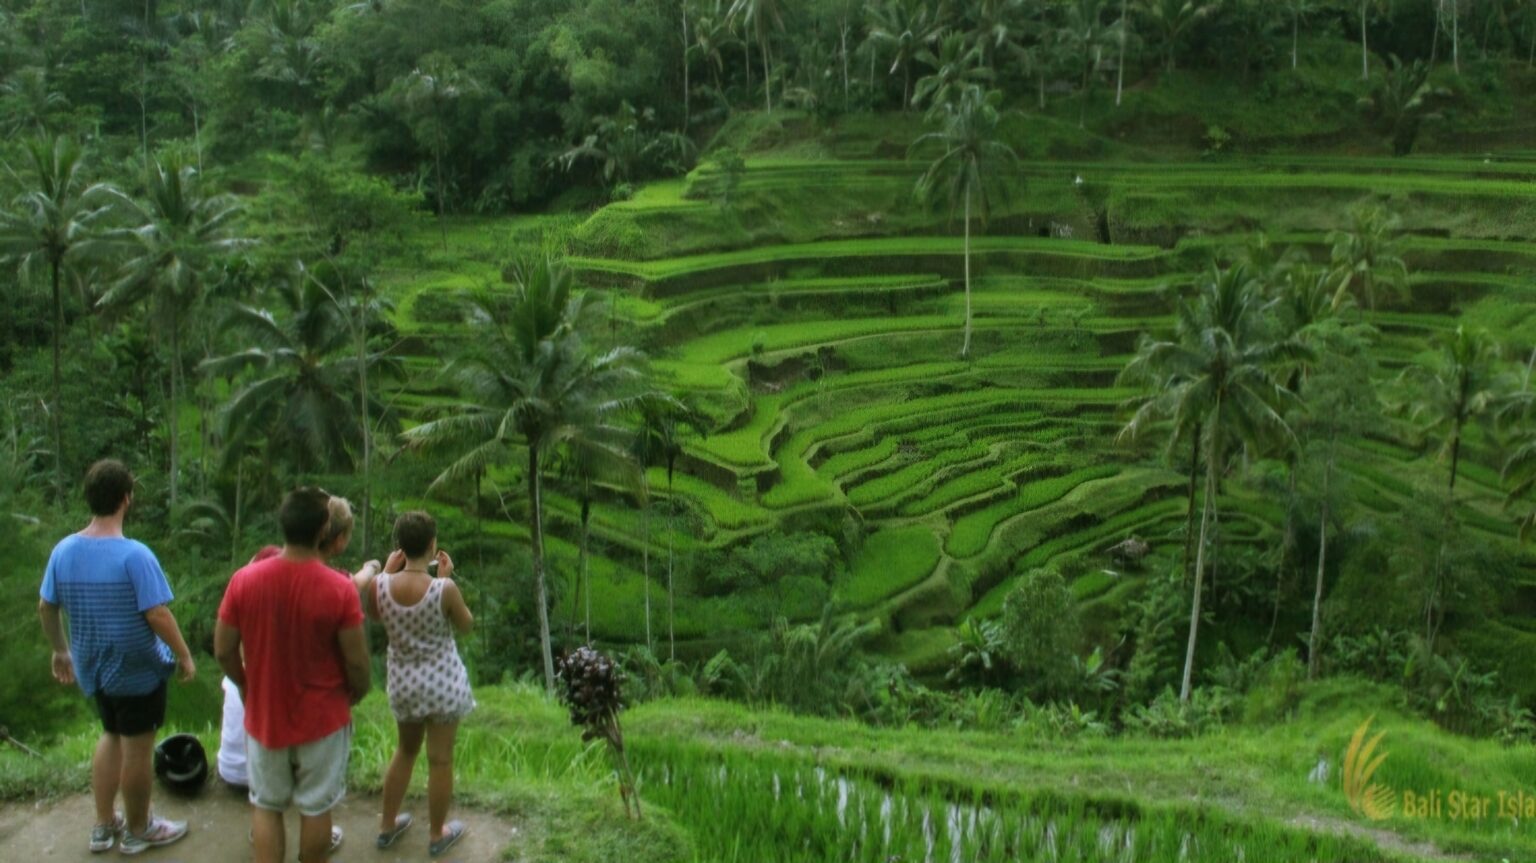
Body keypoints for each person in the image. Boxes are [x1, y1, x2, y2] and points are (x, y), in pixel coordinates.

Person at [37, 459, 195, 855]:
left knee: (111, 734)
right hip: (136, 670)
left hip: (93, 667)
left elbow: (46, 606)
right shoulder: (135, 556)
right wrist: (184, 655)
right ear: (126, 499)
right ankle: (140, 829)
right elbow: (157, 614)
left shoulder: (63, 551)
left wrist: (60, 650)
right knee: (137, 747)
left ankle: (104, 824)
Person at [214, 487, 371, 863]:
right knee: (316, 807)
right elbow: (357, 662)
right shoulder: (340, 589)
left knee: (266, 805)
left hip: (266, 715)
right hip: (323, 718)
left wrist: (245, 684)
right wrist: (357, 691)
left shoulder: (244, 580)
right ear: (324, 529)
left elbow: (222, 649)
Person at [362, 511, 475, 857]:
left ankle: (387, 826)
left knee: (405, 751)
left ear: (399, 547)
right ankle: (437, 834)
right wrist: (444, 579)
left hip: (404, 684)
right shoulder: (443, 589)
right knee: (440, 760)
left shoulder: (379, 585)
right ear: (432, 545)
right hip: (442, 685)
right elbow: (466, 625)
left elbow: (376, 615)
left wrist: (386, 572)